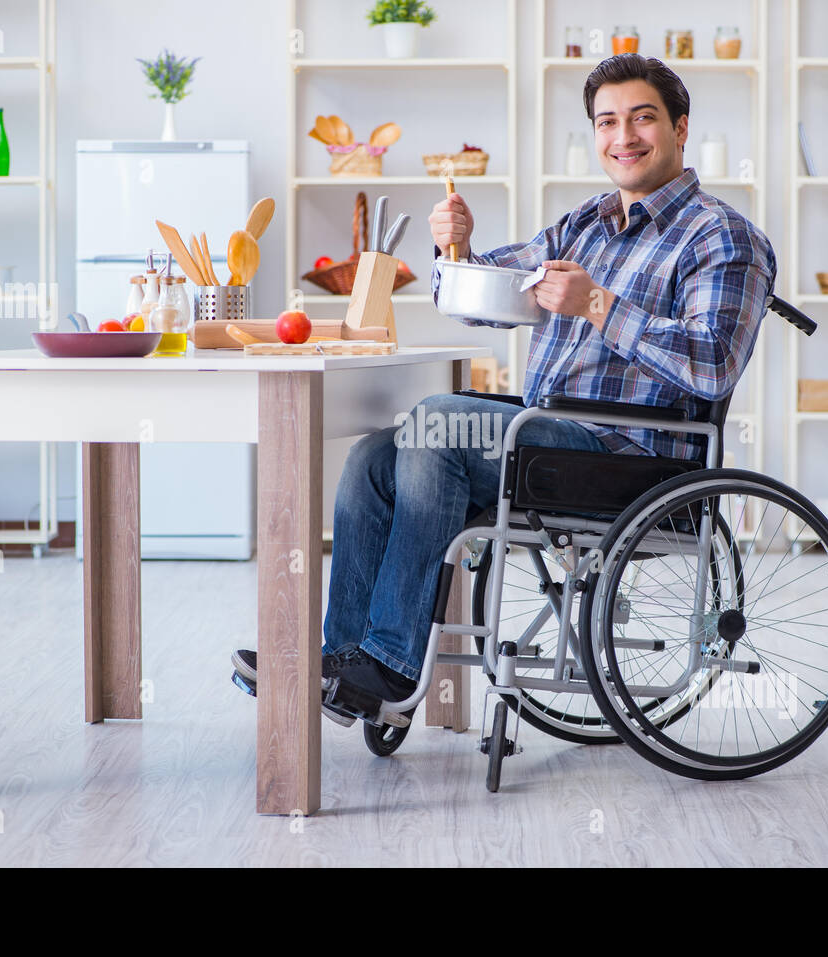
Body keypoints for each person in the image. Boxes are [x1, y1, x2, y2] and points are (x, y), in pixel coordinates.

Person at [234, 53, 776, 728]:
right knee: (375, 456)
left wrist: (599, 304)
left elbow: (714, 364)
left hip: (632, 459)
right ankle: (343, 661)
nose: (623, 136)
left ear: (680, 127)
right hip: (548, 434)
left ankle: (392, 664)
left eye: (643, 118)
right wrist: (456, 252)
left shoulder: (724, 237)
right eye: (607, 121)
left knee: (436, 422)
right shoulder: (588, 223)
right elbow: (489, 292)